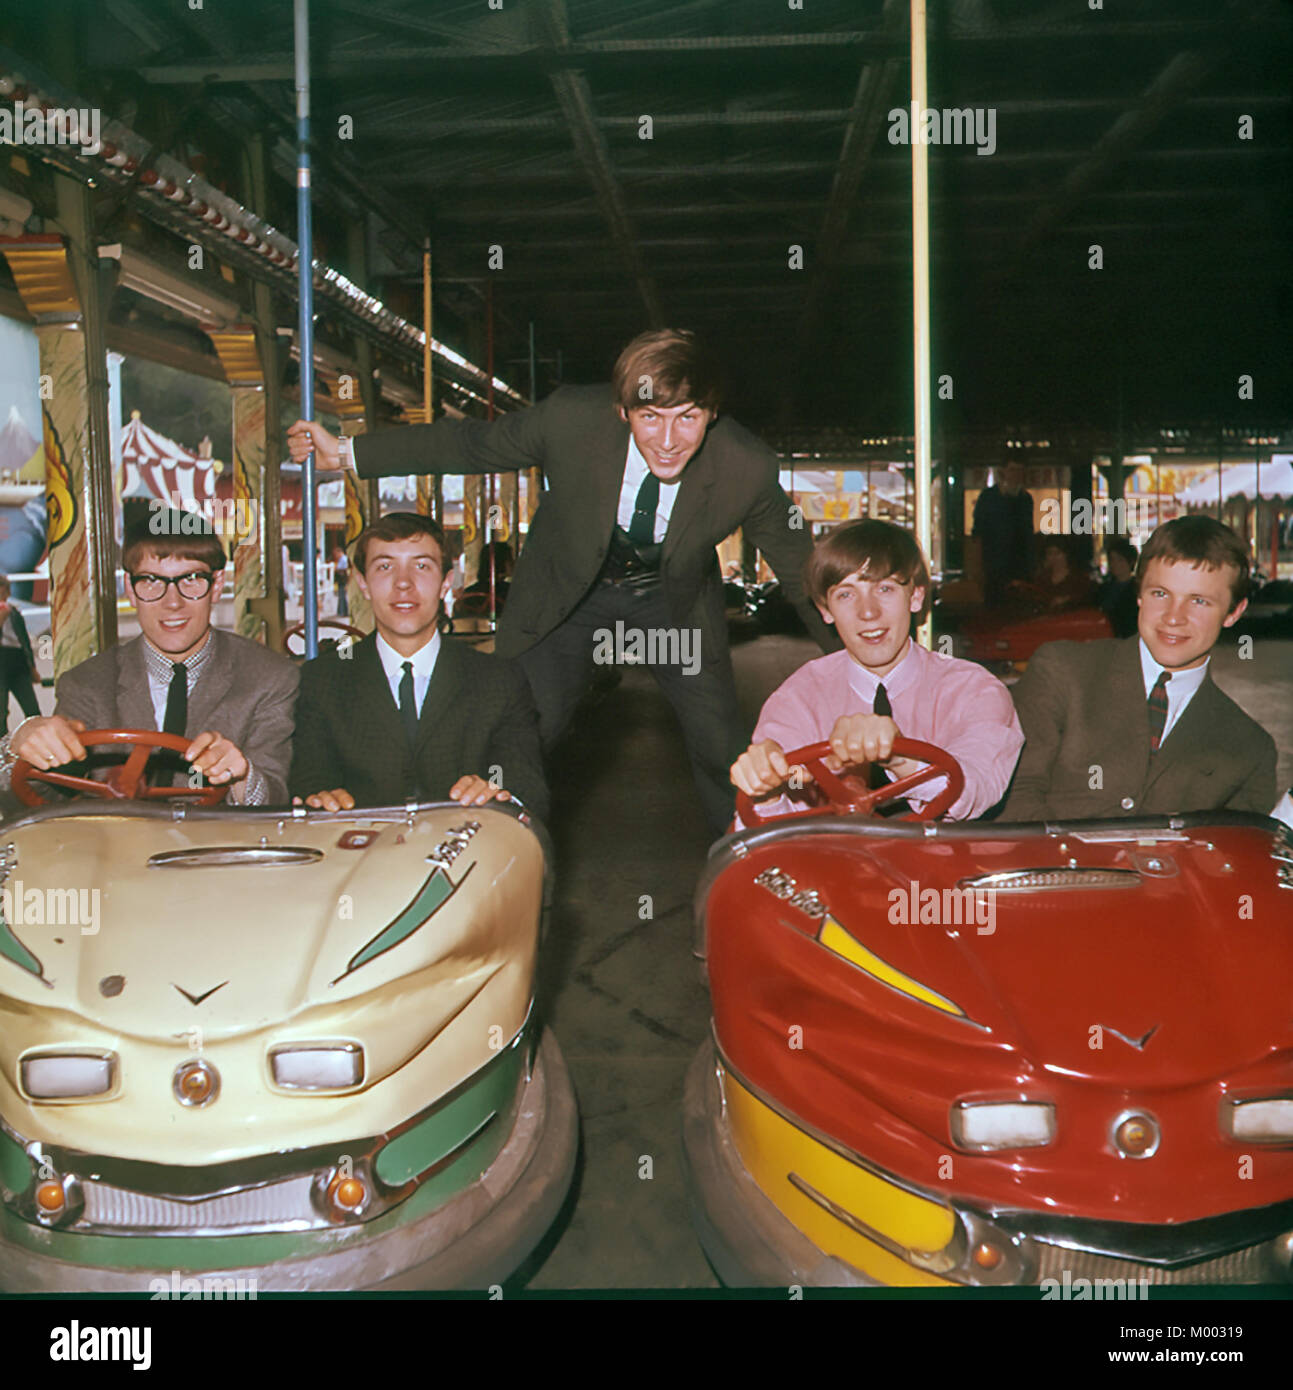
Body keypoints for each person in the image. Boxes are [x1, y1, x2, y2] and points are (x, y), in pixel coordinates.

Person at [286, 329, 836, 835]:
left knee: (722, 750)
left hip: (669, 603)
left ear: (712, 415)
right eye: (650, 418)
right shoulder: (572, 419)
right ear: (621, 411)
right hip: (570, 595)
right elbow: (472, 445)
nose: (668, 440)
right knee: (514, 734)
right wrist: (349, 453)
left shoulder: (747, 466)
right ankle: (462, 861)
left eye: (688, 418)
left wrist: (858, 663)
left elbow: (800, 573)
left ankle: (747, 881)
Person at [730, 520, 1024, 823]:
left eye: (885, 588)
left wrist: (899, 757)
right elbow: (765, 836)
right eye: (846, 594)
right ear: (825, 611)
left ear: (916, 596)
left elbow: (977, 789)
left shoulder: (975, 690)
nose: (868, 612)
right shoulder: (797, 698)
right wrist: (766, 791)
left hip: (943, 862)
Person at [0, 511, 298, 803]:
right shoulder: (87, 683)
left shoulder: (269, 678)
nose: (173, 602)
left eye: (192, 579)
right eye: (151, 581)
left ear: (217, 585)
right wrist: (20, 746)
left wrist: (242, 776)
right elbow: (43, 792)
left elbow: (275, 798)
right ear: (130, 589)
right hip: (114, 848)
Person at [1002, 515, 1276, 820]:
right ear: (1138, 594)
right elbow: (1013, 796)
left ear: (1234, 612)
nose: (1174, 617)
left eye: (1198, 601)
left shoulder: (1250, 748)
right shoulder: (1063, 673)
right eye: (1160, 594)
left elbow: (1234, 855)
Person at [289, 512, 548, 819]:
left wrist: (499, 793)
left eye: (422, 566)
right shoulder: (321, 680)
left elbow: (526, 785)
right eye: (385, 566)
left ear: (445, 584)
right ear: (363, 584)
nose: (403, 583)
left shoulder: (499, 680)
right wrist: (321, 799)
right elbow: (309, 779)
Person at [972, 460, 1033, 606]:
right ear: (1004, 472)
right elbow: (978, 533)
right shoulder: (988, 497)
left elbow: (1028, 532)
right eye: (1012, 470)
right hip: (994, 564)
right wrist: (977, 567)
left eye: (1020, 471)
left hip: (1019, 565)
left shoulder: (1025, 499)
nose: (1016, 475)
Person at [0, 578, 40, 736]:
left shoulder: (14, 612)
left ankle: (37, 741)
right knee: (1, 712)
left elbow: (24, 641)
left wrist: (32, 667)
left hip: (17, 661)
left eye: (4, 592)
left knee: (32, 709)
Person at [1034, 535, 1094, 610]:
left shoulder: (1078, 578)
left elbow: (1086, 599)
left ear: (1066, 554)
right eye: (1050, 553)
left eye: (1058, 553)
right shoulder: (1041, 579)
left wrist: (1066, 599)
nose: (1054, 558)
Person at [1098, 536, 1139, 638]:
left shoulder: (1137, 589)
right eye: (1112, 560)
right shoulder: (1102, 589)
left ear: (1131, 562)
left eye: (1120, 560)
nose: (1115, 564)